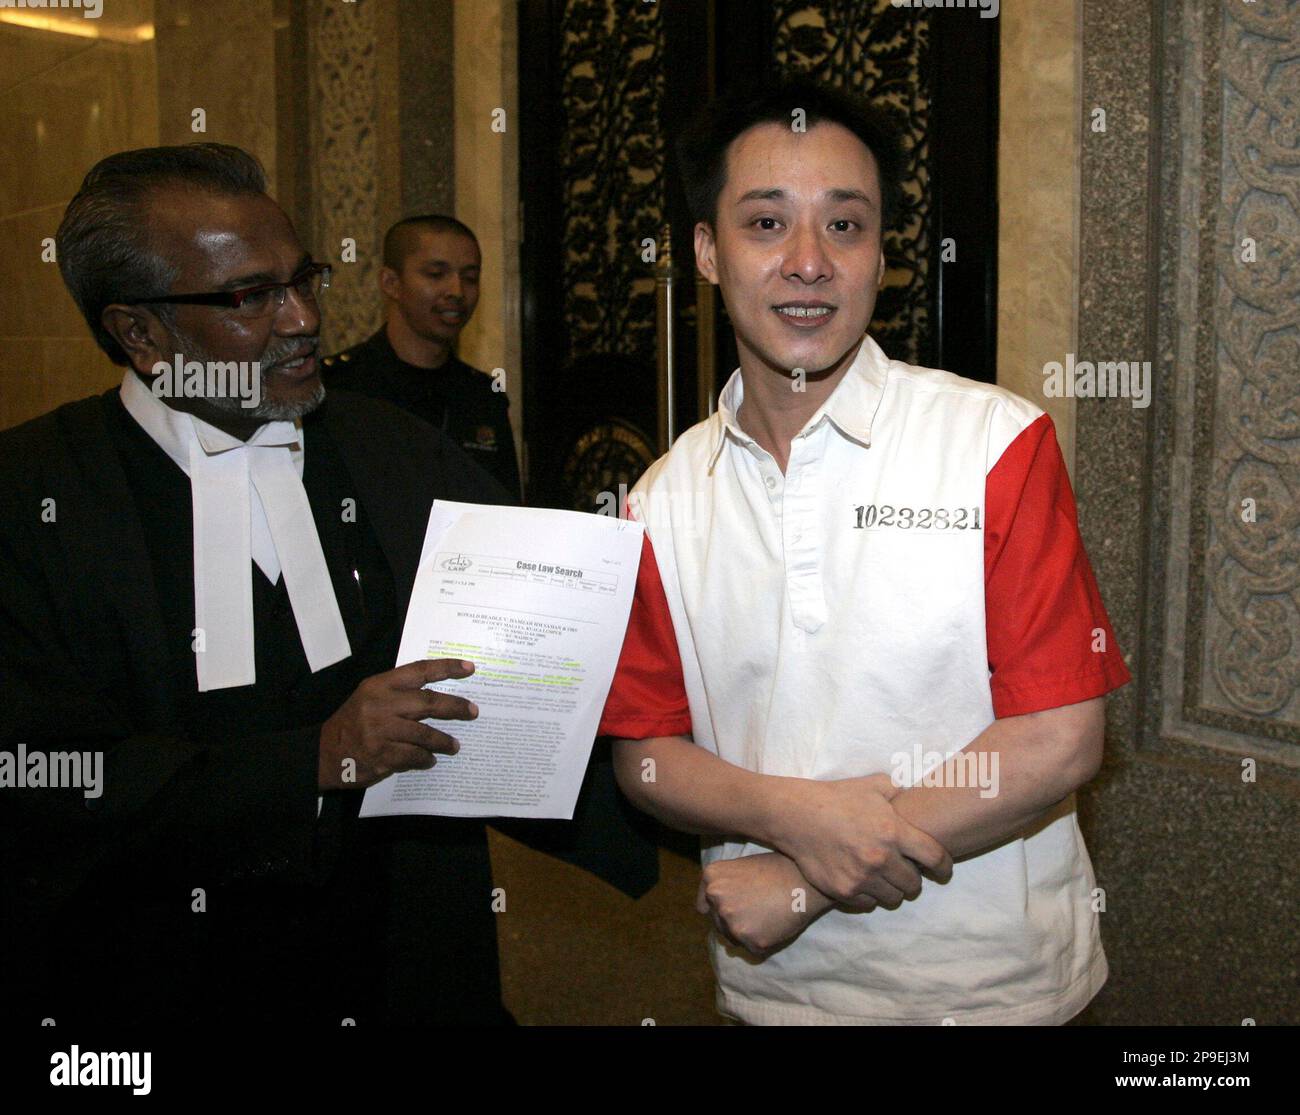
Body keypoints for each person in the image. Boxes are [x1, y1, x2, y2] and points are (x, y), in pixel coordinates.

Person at [0, 144, 645, 1027]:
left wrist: (717, 797)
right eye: (249, 297)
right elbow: (41, 782)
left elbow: (557, 649)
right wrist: (314, 758)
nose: (302, 317)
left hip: (401, 961)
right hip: (157, 983)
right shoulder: (31, 498)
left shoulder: (396, 451)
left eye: (302, 278)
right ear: (140, 333)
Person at [598, 80, 1132, 1025]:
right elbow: (647, 756)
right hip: (770, 988)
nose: (809, 262)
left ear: (881, 256)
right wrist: (792, 815)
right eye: (767, 223)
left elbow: (1059, 740)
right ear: (708, 253)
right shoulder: (659, 500)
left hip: (989, 984)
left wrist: (805, 878)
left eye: (844, 227)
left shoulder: (994, 445)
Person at [321, 216, 521, 497]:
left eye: (470, 277)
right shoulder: (338, 387)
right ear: (391, 283)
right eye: (436, 274)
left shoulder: (483, 398)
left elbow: (504, 512)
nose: (456, 291)